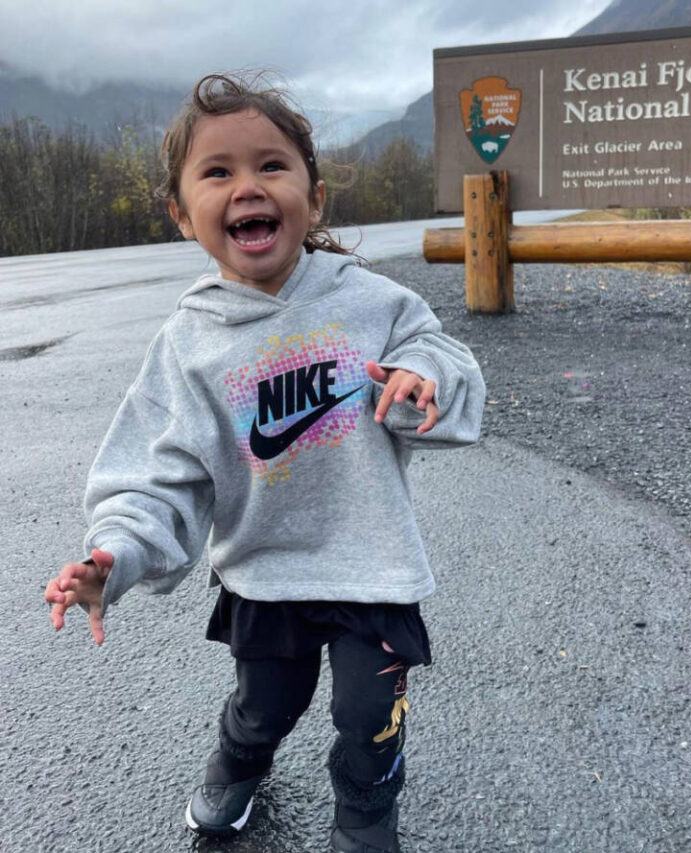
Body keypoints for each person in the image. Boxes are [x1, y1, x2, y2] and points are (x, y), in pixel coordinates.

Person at [44, 72, 485, 853]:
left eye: (271, 166)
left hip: (369, 562)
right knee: (264, 705)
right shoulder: (189, 343)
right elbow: (156, 471)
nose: (247, 185)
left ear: (313, 199)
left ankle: (366, 804)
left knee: (367, 714)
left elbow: (437, 354)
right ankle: (237, 761)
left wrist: (425, 384)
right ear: (184, 215)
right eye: (218, 172)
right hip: (265, 569)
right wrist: (117, 552)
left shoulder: (371, 301)